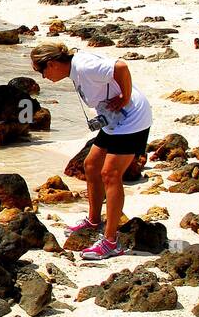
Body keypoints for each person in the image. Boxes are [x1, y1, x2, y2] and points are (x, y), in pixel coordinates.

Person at [29, 42, 152, 261]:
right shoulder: (75, 69)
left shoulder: (84, 66)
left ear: (52, 63)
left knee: (110, 174)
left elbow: (121, 67)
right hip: (115, 120)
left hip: (132, 119)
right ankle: (94, 220)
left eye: (41, 71)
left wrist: (124, 97)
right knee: (91, 165)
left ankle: (111, 242)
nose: (43, 77)